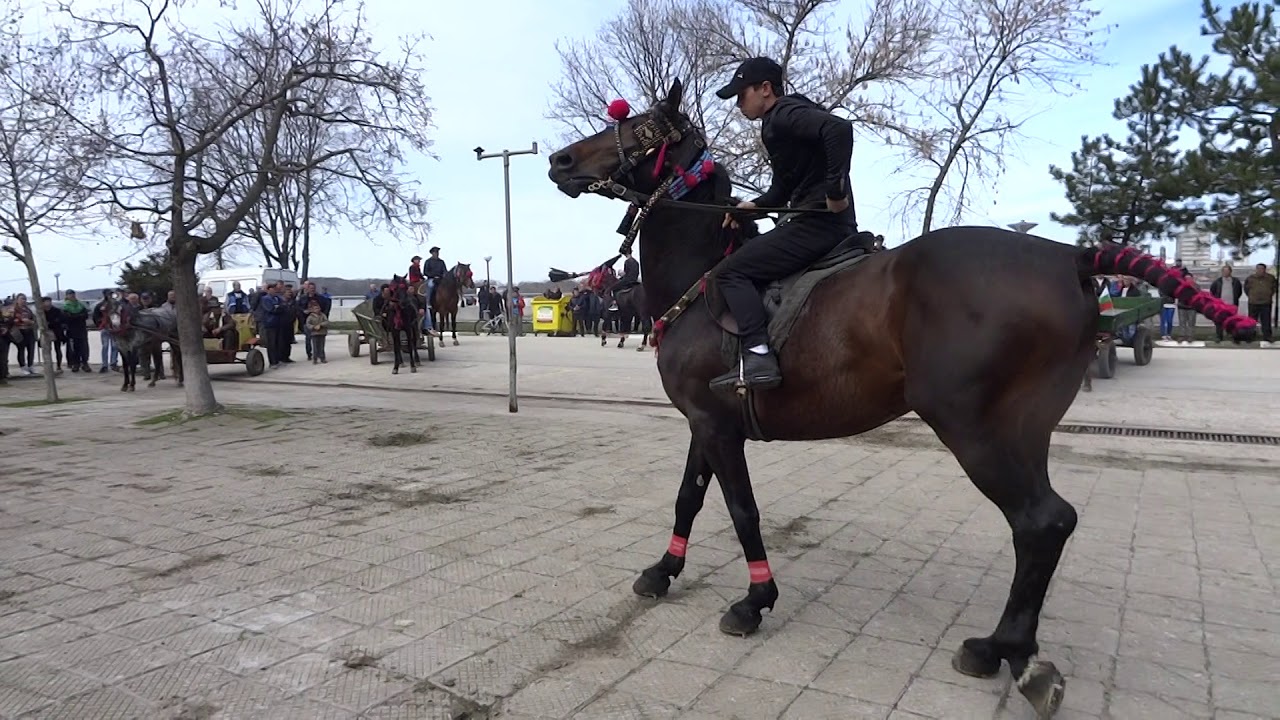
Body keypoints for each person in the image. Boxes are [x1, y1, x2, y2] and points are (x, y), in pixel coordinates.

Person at [710, 56, 861, 392]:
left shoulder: (783, 113)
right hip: (821, 221)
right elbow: (782, 189)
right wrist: (751, 207)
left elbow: (839, 129)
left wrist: (835, 190)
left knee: (730, 273)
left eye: (741, 95)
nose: (738, 104)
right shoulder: (777, 125)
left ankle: (758, 354)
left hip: (817, 224)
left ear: (765, 89)